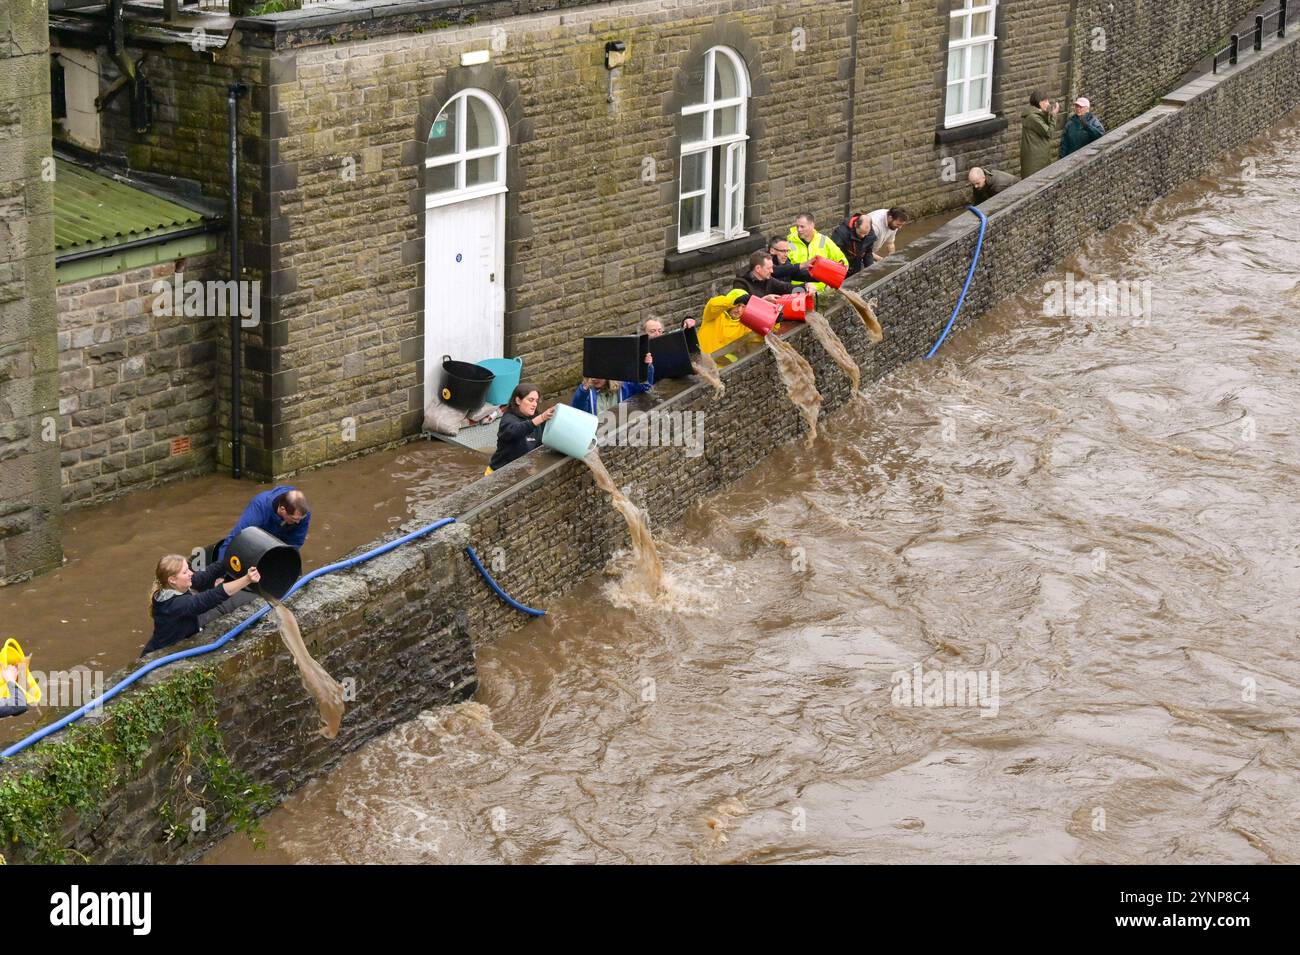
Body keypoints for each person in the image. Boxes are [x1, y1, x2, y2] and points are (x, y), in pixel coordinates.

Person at [142, 555, 261, 656]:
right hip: (161, 652)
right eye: (185, 572)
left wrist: (232, 558)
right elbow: (212, 597)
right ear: (172, 580)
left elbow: (206, 575)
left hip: (171, 636)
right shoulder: (177, 605)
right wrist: (247, 579)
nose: (190, 573)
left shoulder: (175, 585)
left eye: (188, 569)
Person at [215, 486, 310, 563]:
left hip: (281, 541)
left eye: (299, 519)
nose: (298, 522)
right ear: (282, 509)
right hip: (259, 538)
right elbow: (234, 539)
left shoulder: (302, 514)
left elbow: (295, 543)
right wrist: (219, 571)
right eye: (294, 519)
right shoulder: (259, 509)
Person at [487, 383, 555, 474]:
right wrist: (541, 418)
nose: (534, 404)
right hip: (497, 473)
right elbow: (516, 431)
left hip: (520, 470)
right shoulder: (508, 419)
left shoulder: (537, 419)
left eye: (536, 401)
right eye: (531, 400)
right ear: (518, 400)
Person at [786, 213, 849, 294]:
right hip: (797, 291)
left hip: (821, 291)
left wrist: (831, 282)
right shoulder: (789, 242)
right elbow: (785, 268)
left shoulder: (823, 240)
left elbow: (843, 262)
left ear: (812, 225)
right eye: (797, 226)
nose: (799, 230)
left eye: (802, 226)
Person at [695, 289, 752, 354]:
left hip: (720, 362)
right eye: (738, 305)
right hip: (698, 358)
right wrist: (732, 301)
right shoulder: (715, 314)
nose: (739, 310)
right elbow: (712, 304)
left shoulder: (744, 325)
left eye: (743, 307)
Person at [1020, 89, 1059, 177]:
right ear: (1040, 103)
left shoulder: (1036, 114)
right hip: (1035, 159)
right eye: (1046, 101)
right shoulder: (1033, 117)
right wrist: (1054, 116)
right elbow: (1049, 133)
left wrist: (1049, 114)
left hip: (1038, 156)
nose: (1048, 104)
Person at [732, 251, 796, 299]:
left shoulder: (768, 279)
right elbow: (741, 302)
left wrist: (805, 287)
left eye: (772, 267)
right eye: (768, 268)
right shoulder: (740, 283)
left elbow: (786, 287)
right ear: (758, 268)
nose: (772, 271)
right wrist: (763, 300)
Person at [830, 212, 878, 276]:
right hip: (842, 265)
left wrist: (870, 270)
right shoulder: (841, 232)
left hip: (857, 265)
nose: (863, 236)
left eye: (865, 234)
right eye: (860, 232)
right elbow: (833, 251)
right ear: (855, 225)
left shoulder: (870, 234)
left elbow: (868, 253)